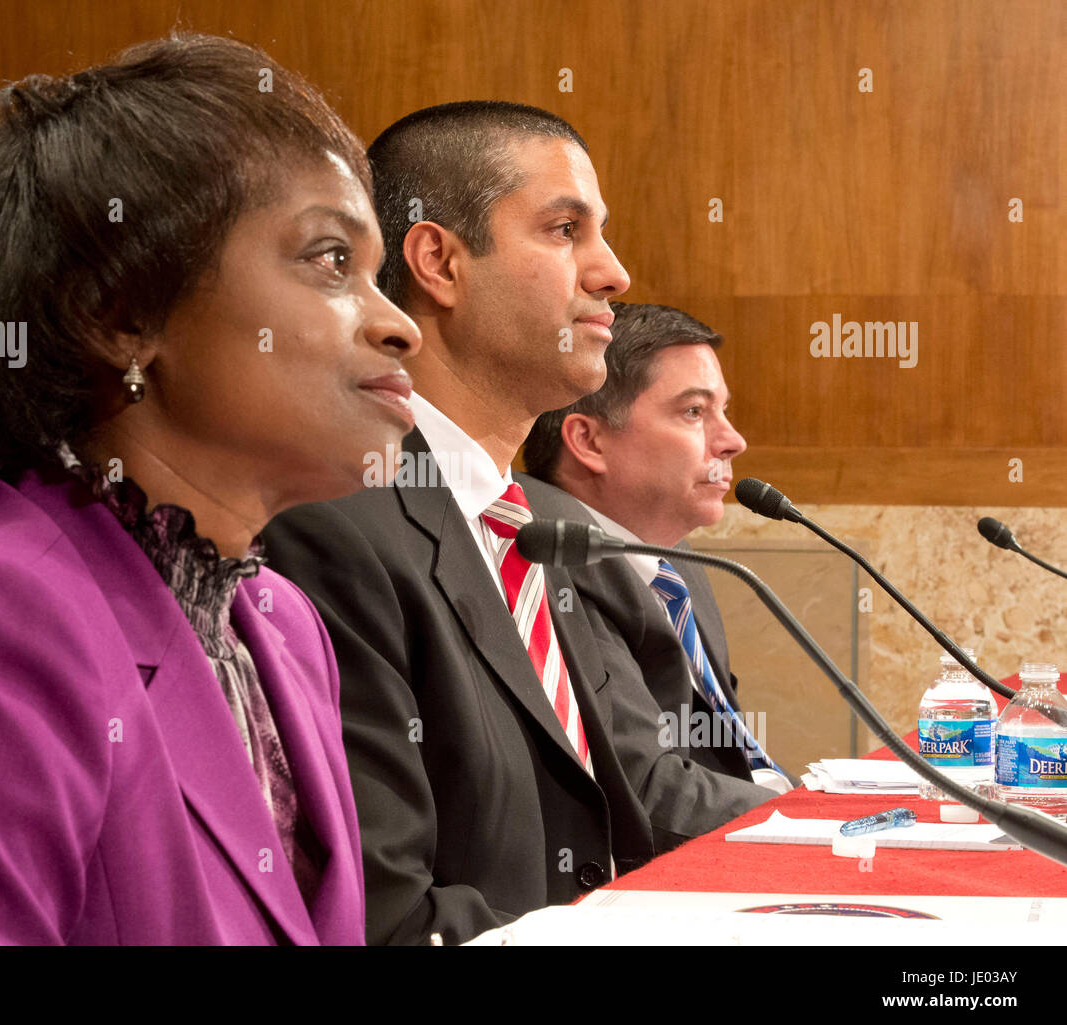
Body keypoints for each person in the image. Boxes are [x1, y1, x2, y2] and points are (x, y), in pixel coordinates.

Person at [0, 33, 420, 945]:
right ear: (117, 315)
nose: (398, 327)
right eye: (328, 261)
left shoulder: (279, 621)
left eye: (377, 273)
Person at [264, 101, 683, 947]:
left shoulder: (540, 523)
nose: (613, 273)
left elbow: (645, 793)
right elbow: (389, 915)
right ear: (439, 262)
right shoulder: (332, 523)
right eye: (566, 230)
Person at [522, 302, 791, 791]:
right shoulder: (553, 568)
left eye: (722, 411)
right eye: (694, 411)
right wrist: (804, 818)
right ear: (589, 441)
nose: (733, 441)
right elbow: (647, 789)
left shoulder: (677, 565)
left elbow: (728, 762)